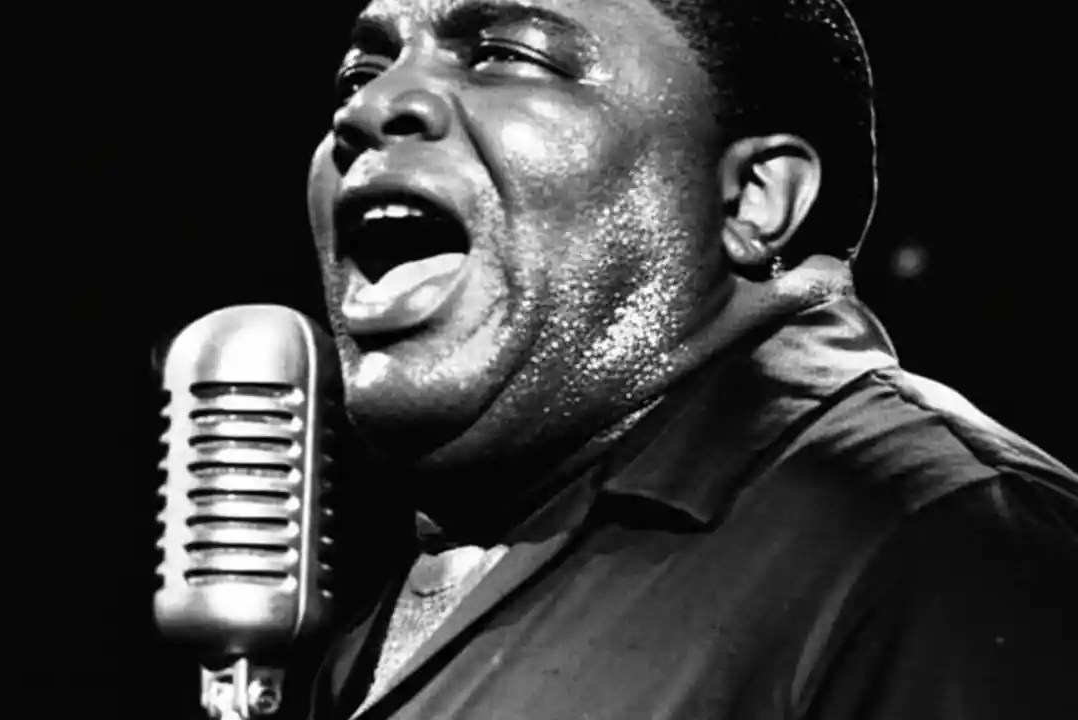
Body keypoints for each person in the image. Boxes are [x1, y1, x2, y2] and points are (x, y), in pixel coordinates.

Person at [297, 0, 1078, 718]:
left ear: (750, 199)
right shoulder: (355, 617)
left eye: (506, 54)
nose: (368, 108)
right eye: (359, 74)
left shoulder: (946, 546)